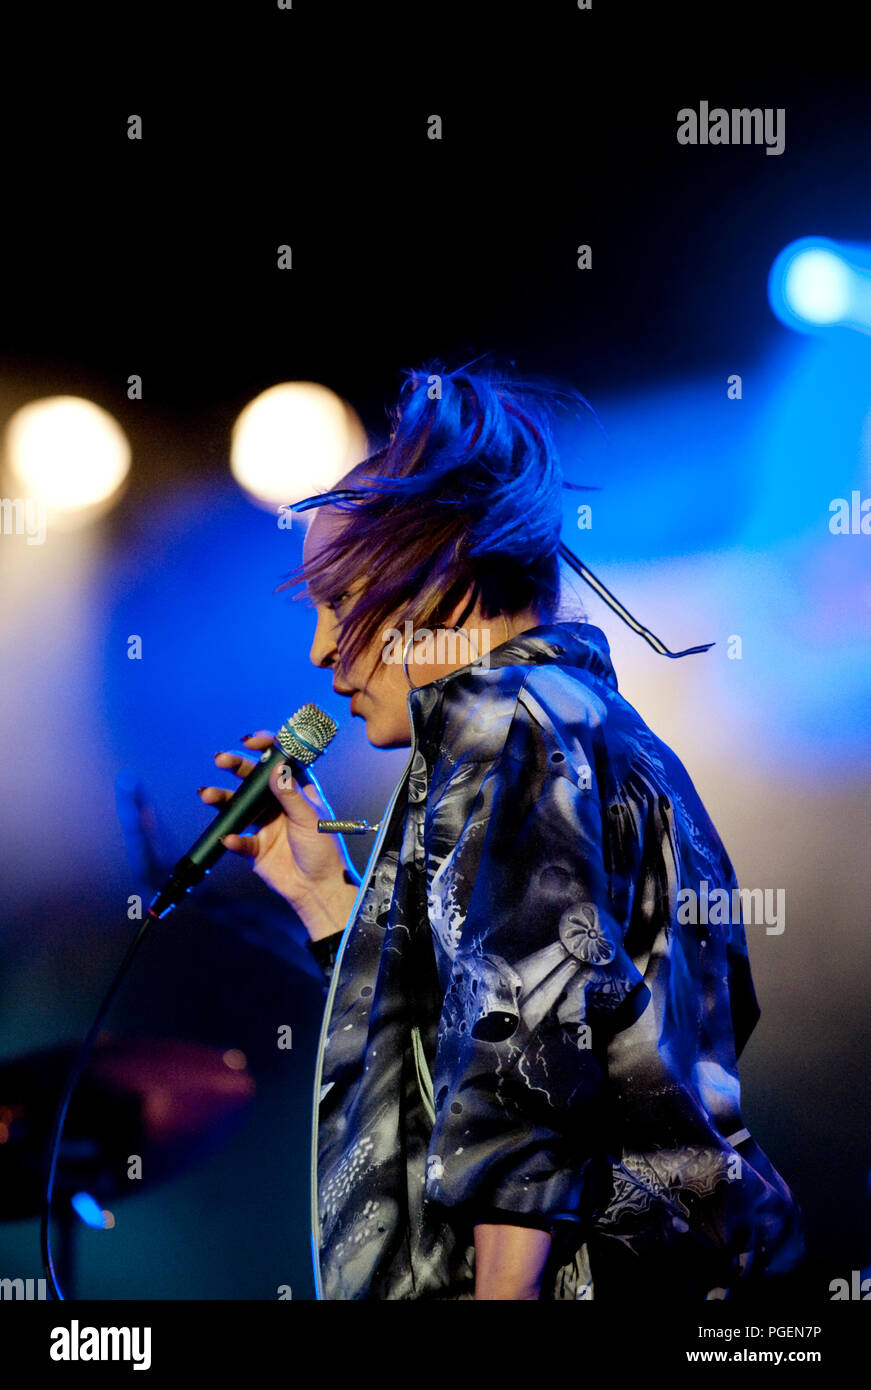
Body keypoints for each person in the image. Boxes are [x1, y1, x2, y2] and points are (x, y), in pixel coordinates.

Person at [199, 361, 805, 1301]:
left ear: (437, 582)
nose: (322, 651)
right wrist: (331, 900)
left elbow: (526, 1065)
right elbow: (536, 1023)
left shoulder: (508, 721)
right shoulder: (589, 728)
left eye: (339, 599)